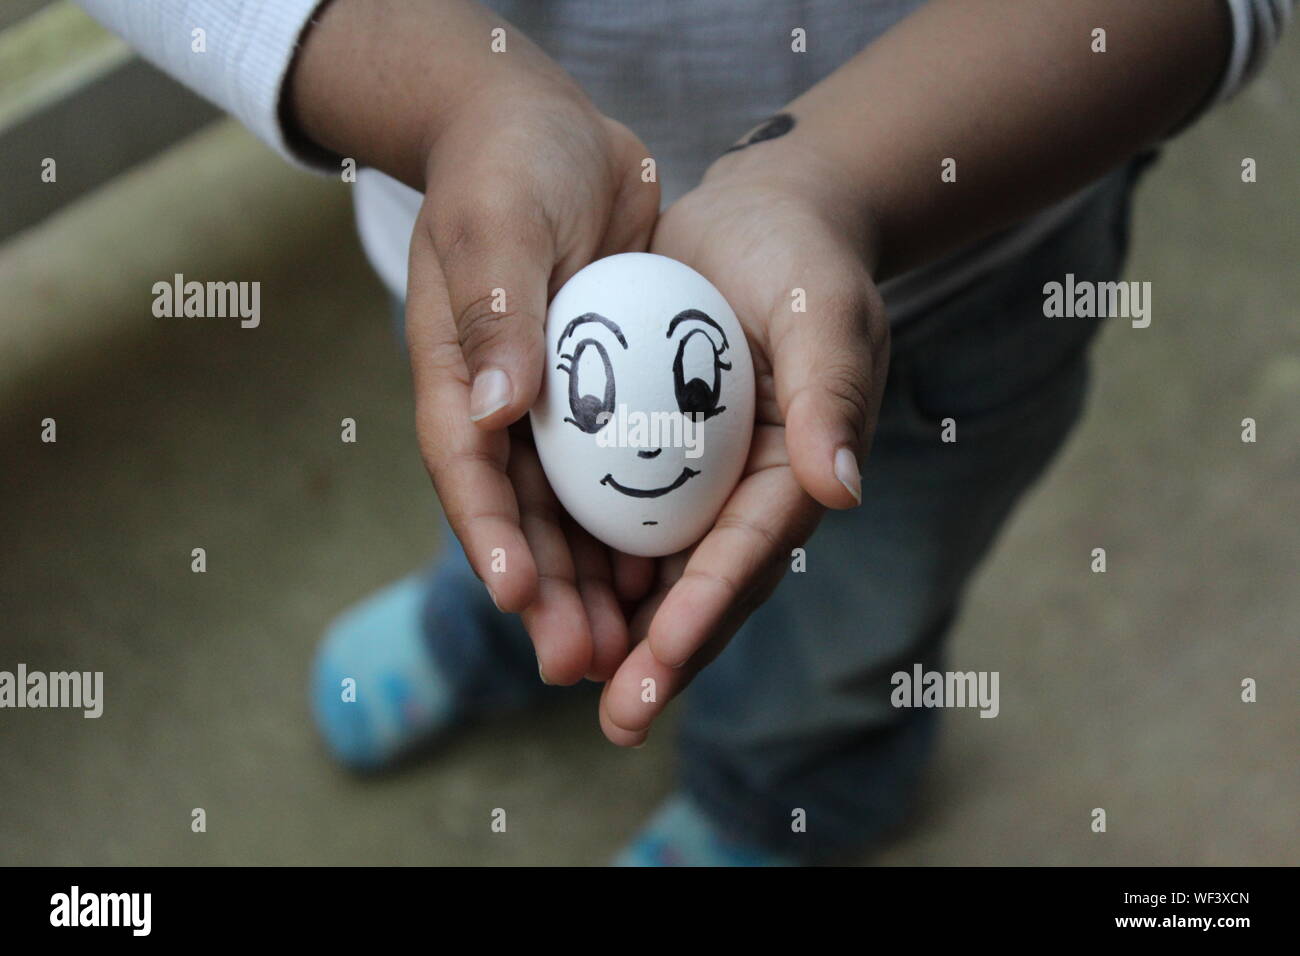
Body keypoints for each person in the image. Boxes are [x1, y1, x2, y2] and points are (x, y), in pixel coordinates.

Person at [78, 0, 1292, 865]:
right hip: (491, 252)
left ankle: (783, 793)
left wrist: (834, 185)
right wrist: (459, 103)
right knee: (510, 481)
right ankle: (498, 627)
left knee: (848, 614)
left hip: (969, 274)